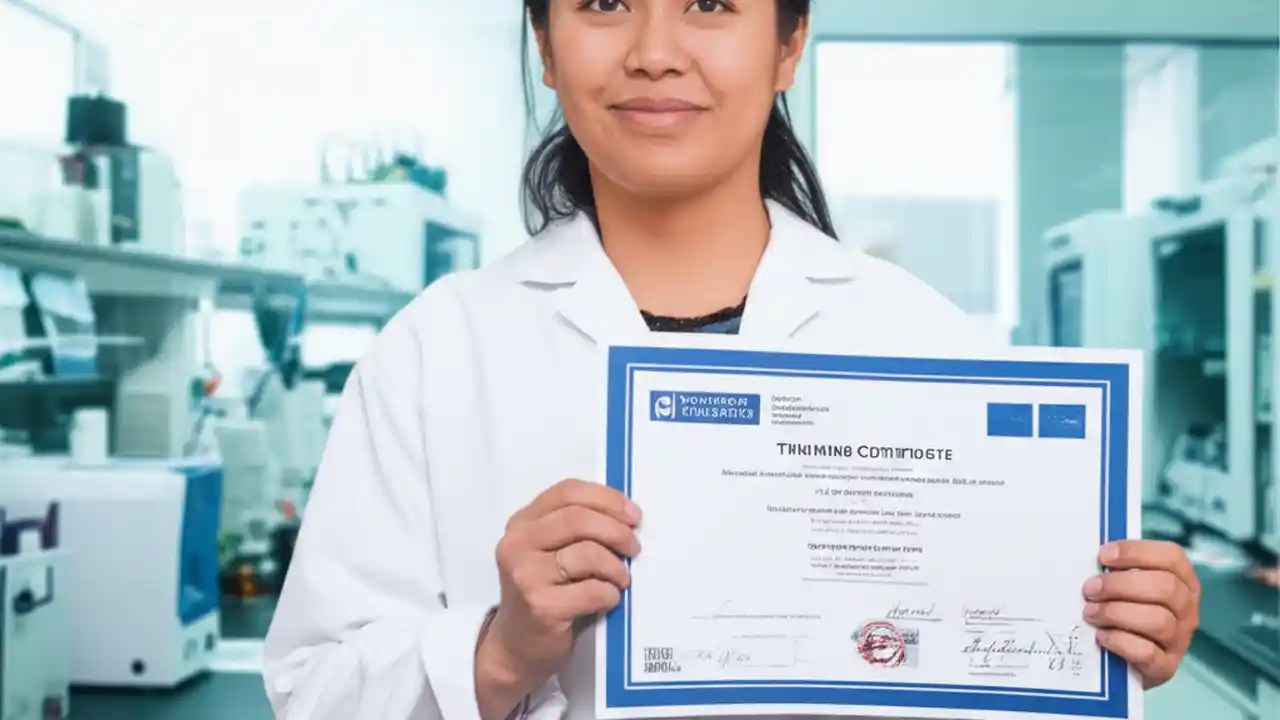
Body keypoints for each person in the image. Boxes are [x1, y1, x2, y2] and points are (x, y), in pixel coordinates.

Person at [263, 1, 1202, 718]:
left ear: (789, 43)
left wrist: (1107, 634)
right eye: (601, 1)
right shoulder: (435, 353)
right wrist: (501, 653)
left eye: (711, 2)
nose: (654, 49)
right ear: (545, 48)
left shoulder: (923, 342)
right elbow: (311, 689)